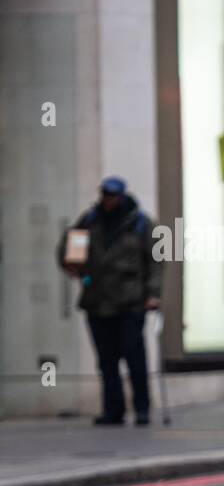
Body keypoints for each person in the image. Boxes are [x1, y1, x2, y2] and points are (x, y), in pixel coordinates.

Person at [58, 176, 161, 426]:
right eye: (105, 195)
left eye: (113, 196)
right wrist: (72, 264)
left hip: (130, 302)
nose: (109, 200)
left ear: (122, 196)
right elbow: (70, 250)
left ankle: (142, 408)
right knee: (106, 361)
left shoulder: (140, 224)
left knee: (134, 358)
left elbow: (155, 261)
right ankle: (113, 411)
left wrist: (153, 294)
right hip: (98, 301)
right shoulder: (90, 221)